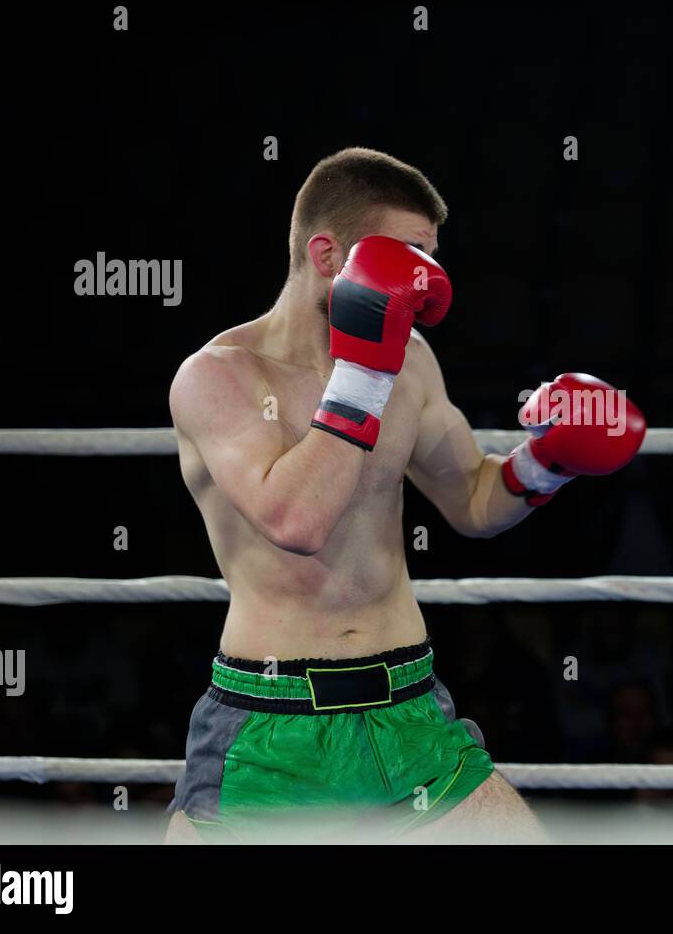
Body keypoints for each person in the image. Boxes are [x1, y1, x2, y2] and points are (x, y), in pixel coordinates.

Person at [165, 147, 645, 842]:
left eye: (431, 258)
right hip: (273, 728)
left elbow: (473, 501)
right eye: (408, 255)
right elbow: (297, 518)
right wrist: (365, 371)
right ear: (327, 254)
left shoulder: (412, 361)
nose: (424, 282)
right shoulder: (221, 379)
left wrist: (547, 461)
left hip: (409, 712)